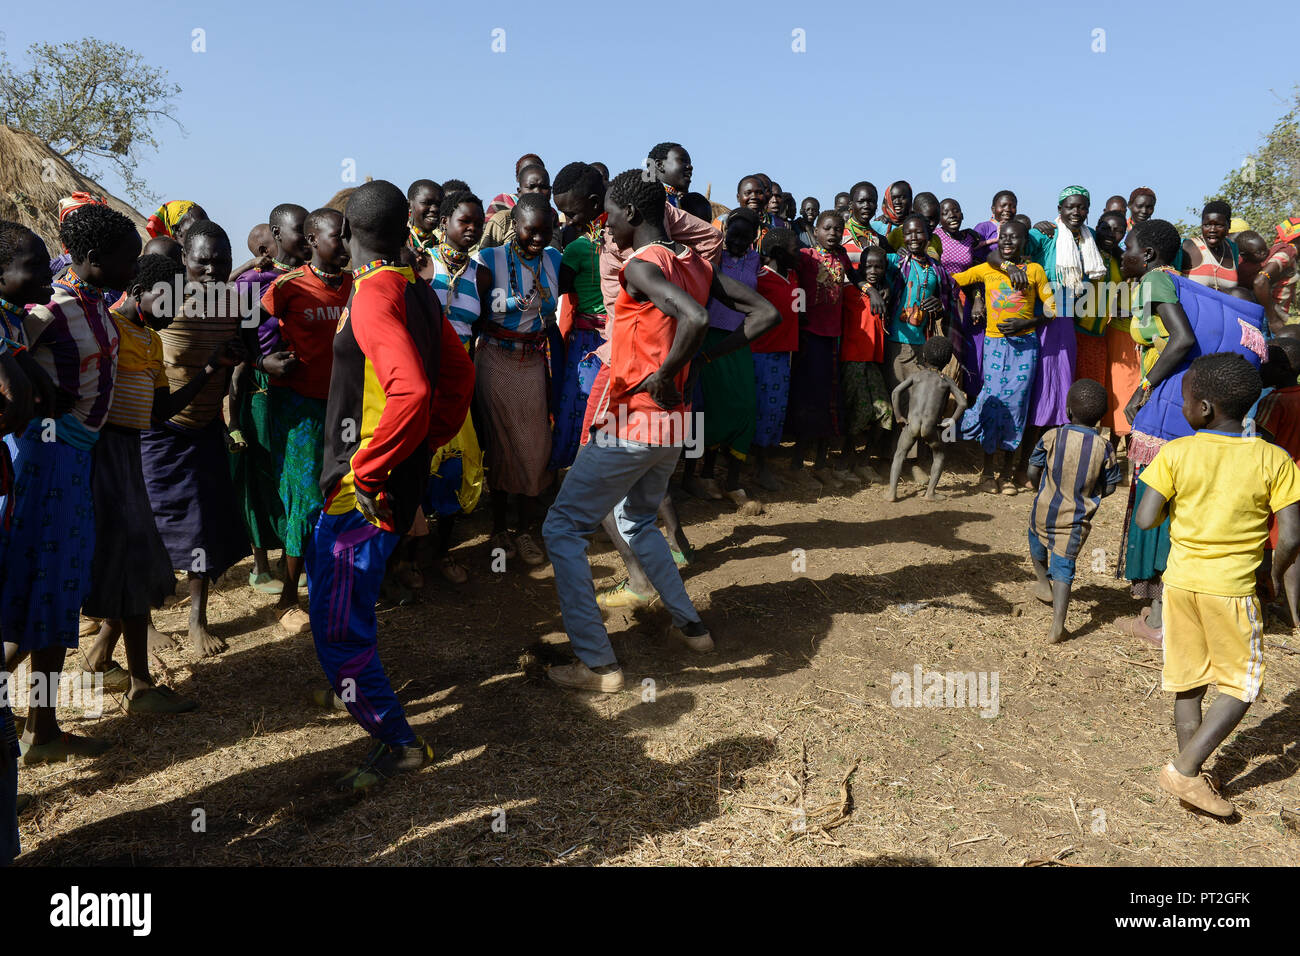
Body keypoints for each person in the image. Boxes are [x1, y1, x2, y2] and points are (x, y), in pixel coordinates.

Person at [542, 171, 777, 693]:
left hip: (636, 419)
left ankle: (598, 666)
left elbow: (692, 317)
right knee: (638, 520)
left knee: (561, 528)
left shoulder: (642, 265)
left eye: (611, 212)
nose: (607, 221)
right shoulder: (694, 263)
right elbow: (765, 314)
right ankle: (692, 629)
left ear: (633, 214)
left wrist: (668, 371)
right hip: (673, 425)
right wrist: (701, 361)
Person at [310, 180, 474, 790]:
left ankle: (398, 741)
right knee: (347, 605)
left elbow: (414, 388)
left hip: (364, 493)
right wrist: (425, 446)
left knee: (337, 625)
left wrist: (373, 469)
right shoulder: (417, 291)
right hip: (390, 483)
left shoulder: (376, 294)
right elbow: (459, 378)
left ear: (349, 231)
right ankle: (351, 688)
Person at [1135, 352, 1300, 818]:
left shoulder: (1176, 452)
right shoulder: (1275, 459)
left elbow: (1146, 519)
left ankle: (1192, 772)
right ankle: (1185, 770)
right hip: (1230, 589)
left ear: (1202, 408)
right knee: (1242, 685)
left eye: (1185, 398)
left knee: (1189, 683)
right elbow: (1290, 535)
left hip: (1180, 583)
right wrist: (1273, 573)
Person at [1, 204, 138, 763]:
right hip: (44, 462)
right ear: (93, 260)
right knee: (30, 588)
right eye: (126, 259)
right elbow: (12, 369)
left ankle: (44, 725)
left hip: (77, 461)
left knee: (57, 594)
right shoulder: (49, 309)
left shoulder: (97, 304)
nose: (134, 266)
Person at [82, 253, 245, 711]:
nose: (176, 309)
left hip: (131, 456)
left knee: (137, 567)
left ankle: (134, 681)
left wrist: (212, 370)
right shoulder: (106, 330)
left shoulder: (149, 339)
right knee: (121, 567)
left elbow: (159, 413)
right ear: (136, 291)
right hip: (101, 460)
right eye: (167, 298)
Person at [1118, 219, 1269, 647]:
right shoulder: (1177, 281)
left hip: (1167, 403)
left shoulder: (1153, 281)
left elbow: (1180, 339)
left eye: (1128, 247)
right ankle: (1168, 607)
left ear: (1147, 254)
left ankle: (1164, 620)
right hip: (1185, 404)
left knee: (1165, 506)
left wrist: (1143, 388)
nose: (1122, 254)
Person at [142, 221, 253, 657]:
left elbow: (250, 350)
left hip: (205, 427)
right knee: (150, 528)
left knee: (202, 526)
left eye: (220, 261)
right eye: (201, 261)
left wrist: (260, 363)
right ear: (184, 261)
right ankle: (144, 618)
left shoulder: (235, 303)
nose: (211, 270)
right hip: (158, 432)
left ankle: (196, 619)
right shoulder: (163, 307)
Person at [260, 208, 353, 634]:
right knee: (303, 494)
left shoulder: (357, 285)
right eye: (339, 237)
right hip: (299, 407)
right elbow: (250, 335)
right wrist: (265, 362)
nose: (347, 245)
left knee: (337, 491)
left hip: (345, 405)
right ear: (314, 239)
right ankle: (287, 597)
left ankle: (328, 580)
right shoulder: (286, 288)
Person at [472, 193, 561, 566]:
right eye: (531, 230)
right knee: (501, 445)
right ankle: (499, 529)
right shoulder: (488, 260)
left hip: (534, 360)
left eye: (546, 231)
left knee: (535, 448)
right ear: (514, 227)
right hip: (494, 358)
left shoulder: (555, 259)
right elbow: (476, 313)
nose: (538, 238)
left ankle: (525, 530)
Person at [235, 202, 306, 593]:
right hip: (263, 391)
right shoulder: (250, 285)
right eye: (300, 230)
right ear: (277, 237)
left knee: (295, 477)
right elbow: (238, 347)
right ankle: (261, 562)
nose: (308, 238)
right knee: (264, 474)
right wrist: (263, 364)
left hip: (303, 391)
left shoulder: (316, 278)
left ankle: (292, 556)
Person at [954, 220, 1055, 493]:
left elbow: (1051, 308)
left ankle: (1007, 474)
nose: (1008, 242)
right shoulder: (989, 269)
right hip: (995, 345)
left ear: (1025, 242)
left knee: (1017, 406)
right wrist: (975, 297)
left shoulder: (1035, 271)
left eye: (1014, 238)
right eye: (1003, 238)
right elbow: (954, 280)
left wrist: (1027, 324)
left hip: (1026, 346)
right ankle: (987, 473)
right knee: (993, 402)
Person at [420, 191, 487, 584]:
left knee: (455, 462)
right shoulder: (421, 265)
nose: (473, 228)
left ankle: (443, 553)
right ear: (444, 222)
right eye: (465, 221)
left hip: (460, 374)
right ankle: (406, 559)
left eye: (477, 222)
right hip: (423, 374)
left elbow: (479, 331)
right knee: (416, 462)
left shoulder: (480, 272)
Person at [1026, 379, 1122, 643]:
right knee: (1064, 569)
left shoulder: (1051, 436)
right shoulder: (1105, 447)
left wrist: (1040, 489)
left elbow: (1033, 470)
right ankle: (1058, 625)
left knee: (1035, 543)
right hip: (1076, 521)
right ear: (1100, 418)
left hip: (1043, 510)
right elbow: (1112, 486)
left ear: (1068, 411)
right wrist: (1093, 491)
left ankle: (1042, 584)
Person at [682, 209, 764, 512]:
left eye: (746, 236)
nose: (738, 242)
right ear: (724, 231)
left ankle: (732, 481)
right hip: (708, 337)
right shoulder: (712, 256)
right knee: (703, 409)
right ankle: (695, 476)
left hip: (739, 340)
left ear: (755, 237)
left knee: (743, 407)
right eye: (734, 235)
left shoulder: (757, 261)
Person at [550, 163, 608, 471]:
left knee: (591, 407)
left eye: (571, 214)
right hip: (589, 340)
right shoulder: (576, 249)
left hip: (607, 340)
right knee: (583, 405)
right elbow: (558, 294)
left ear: (595, 204)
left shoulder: (616, 245)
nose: (567, 221)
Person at [789, 210, 853, 487]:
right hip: (810, 336)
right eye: (827, 228)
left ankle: (822, 462)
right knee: (808, 399)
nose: (833, 233)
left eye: (838, 229)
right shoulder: (805, 256)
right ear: (815, 231)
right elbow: (795, 286)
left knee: (829, 399)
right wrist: (800, 313)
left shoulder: (841, 258)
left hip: (833, 336)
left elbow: (855, 279)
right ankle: (797, 463)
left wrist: (870, 289)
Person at [752, 227, 802, 490]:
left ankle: (765, 463)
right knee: (762, 411)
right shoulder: (760, 278)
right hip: (761, 353)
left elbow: (797, 308)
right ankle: (759, 467)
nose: (800, 253)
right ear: (779, 253)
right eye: (795, 249)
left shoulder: (793, 276)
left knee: (775, 411)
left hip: (784, 353)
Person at [887, 336, 966, 501]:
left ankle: (892, 493)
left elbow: (895, 392)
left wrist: (899, 416)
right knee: (939, 456)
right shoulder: (946, 381)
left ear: (924, 356)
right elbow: (963, 403)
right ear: (946, 362)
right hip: (931, 427)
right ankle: (930, 493)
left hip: (911, 425)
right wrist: (950, 422)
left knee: (900, 454)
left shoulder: (917, 376)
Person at [1255, 338, 1300, 626]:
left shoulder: (1273, 401)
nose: (1260, 368)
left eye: (1266, 363)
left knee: (1271, 546)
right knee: (1296, 550)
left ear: (1283, 368)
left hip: (1280, 485)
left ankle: (1267, 600)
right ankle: (1295, 614)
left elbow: (1261, 446)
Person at [839, 245, 892, 482]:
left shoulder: (886, 294)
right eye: (868, 266)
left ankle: (864, 461)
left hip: (872, 361)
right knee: (859, 411)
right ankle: (844, 462)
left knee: (886, 413)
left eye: (878, 266)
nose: (873, 270)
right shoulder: (850, 292)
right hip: (852, 359)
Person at [1094, 210, 1141, 440]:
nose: (1113, 234)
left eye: (1119, 230)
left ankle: (1118, 456)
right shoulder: (1085, 252)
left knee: (1124, 390)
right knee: (1109, 391)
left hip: (1123, 332)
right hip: (1100, 331)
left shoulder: (1124, 261)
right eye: (1107, 228)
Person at [935, 197, 986, 400]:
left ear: (963, 215)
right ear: (939, 219)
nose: (952, 215)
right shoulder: (934, 237)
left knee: (959, 354)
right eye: (946, 212)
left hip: (957, 302)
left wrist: (978, 298)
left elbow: (972, 273)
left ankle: (956, 402)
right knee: (942, 354)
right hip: (937, 302)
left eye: (955, 211)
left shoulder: (969, 239)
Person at [479, 165, 555, 251]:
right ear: (519, 191)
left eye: (544, 187)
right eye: (531, 187)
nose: (537, 192)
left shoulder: (554, 218)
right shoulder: (502, 219)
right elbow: (483, 257)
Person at [1252, 217, 1300, 333]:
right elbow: (1260, 282)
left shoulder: (1288, 253)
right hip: (1270, 319)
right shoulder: (1287, 253)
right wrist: (1273, 319)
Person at [1179, 201, 1238, 292]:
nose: (1212, 230)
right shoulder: (1187, 247)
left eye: (1219, 225)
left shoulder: (1232, 249)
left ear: (1229, 225)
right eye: (1207, 225)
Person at [841, 182, 886, 264]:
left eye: (871, 201)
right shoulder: (839, 236)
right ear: (851, 205)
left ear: (876, 205)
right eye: (861, 201)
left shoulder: (881, 241)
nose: (866, 206)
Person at [406, 179, 444, 260]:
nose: (434, 209)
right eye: (426, 203)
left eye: (439, 204)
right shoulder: (397, 242)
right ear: (409, 206)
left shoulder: (442, 247)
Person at [647, 142, 693, 207]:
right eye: (682, 161)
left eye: (689, 163)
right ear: (660, 165)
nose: (690, 167)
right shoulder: (649, 197)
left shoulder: (681, 201)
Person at [973, 189, 1017, 258]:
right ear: (993, 209)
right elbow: (973, 252)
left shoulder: (1018, 229)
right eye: (1003, 205)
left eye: (1013, 206)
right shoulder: (983, 227)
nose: (1008, 209)